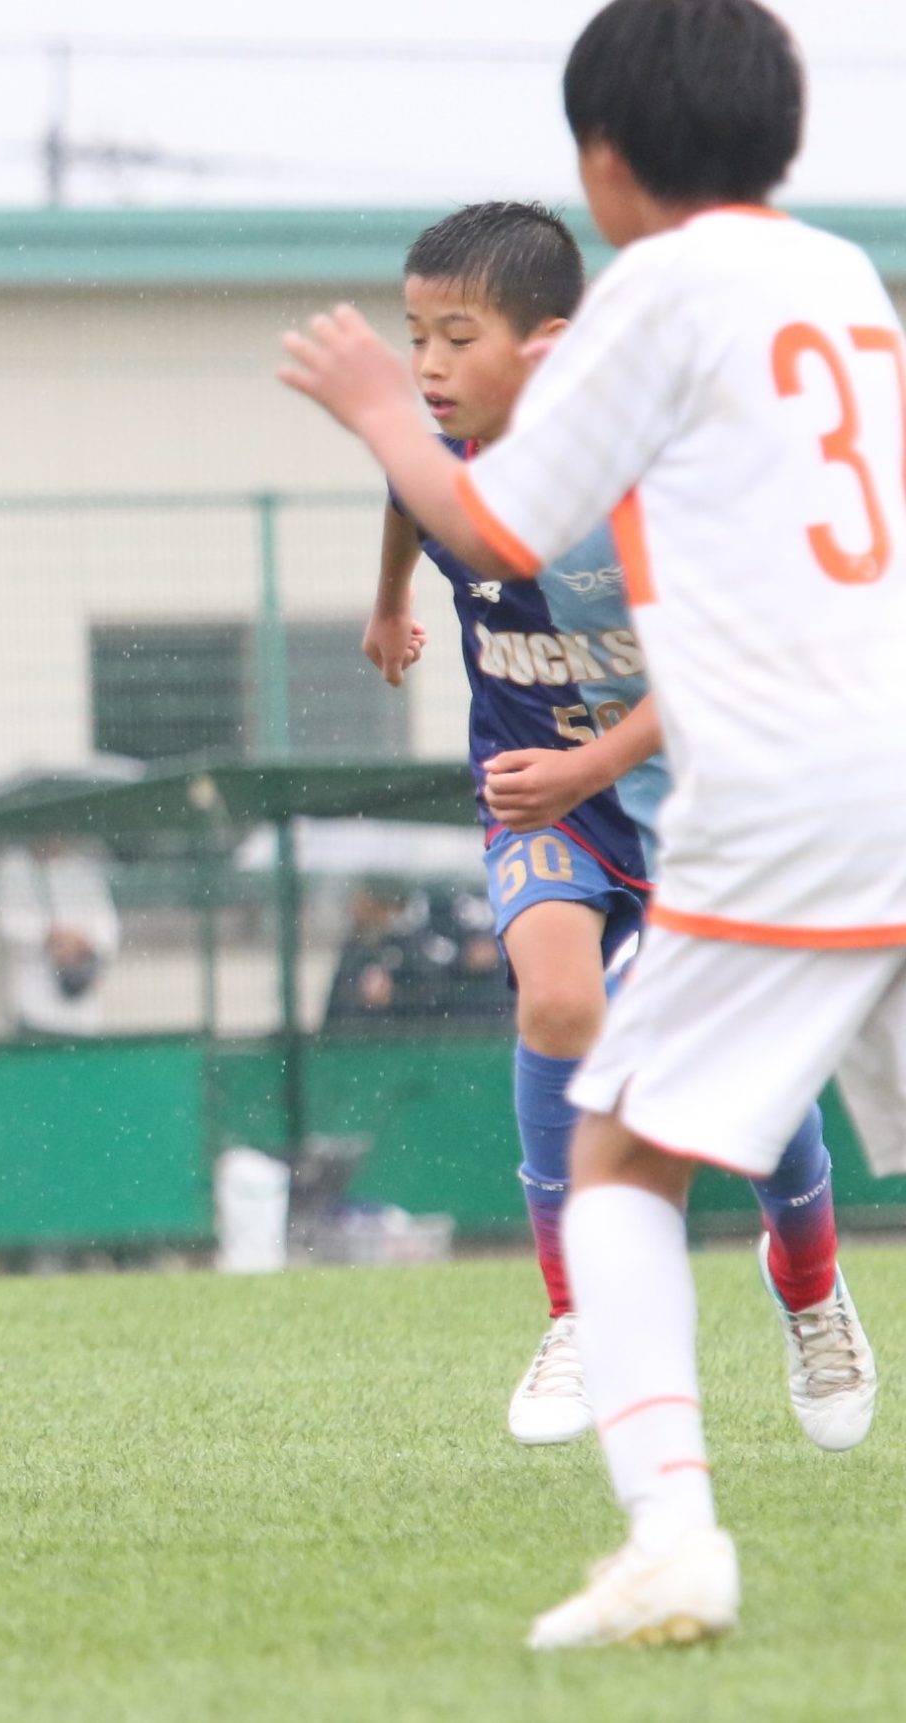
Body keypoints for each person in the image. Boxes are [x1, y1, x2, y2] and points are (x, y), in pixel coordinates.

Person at [282, 0, 906, 1646]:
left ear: (608, 163)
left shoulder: (656, 299)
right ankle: (734, 1388)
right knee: (643, 1103)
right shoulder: (842, 278)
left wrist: (374, 403)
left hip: (764, 784)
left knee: (621, 1155)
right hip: (880, 757)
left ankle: (675, 1535)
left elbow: (496, 517)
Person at [358, 197, 869, 1452]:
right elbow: (406, 502)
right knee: (554, 1000)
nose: (426, 365)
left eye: (456, 337)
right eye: (414, 335)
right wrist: (386, 606)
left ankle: (808, 1285)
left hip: (693, 806)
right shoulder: (441, 456)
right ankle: (577, 1309)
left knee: (745, 1084)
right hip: (546, 801)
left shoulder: (643, 482)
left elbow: (710, 663)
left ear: (547, 345)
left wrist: (586, 764)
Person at [0, 837, 118, 1034]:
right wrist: (49, 935)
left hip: (81, 1011)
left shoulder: (82, 866)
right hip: (32, 1007)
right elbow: (7, 924)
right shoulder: (12, 866)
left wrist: (77, 942)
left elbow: (107, 931)